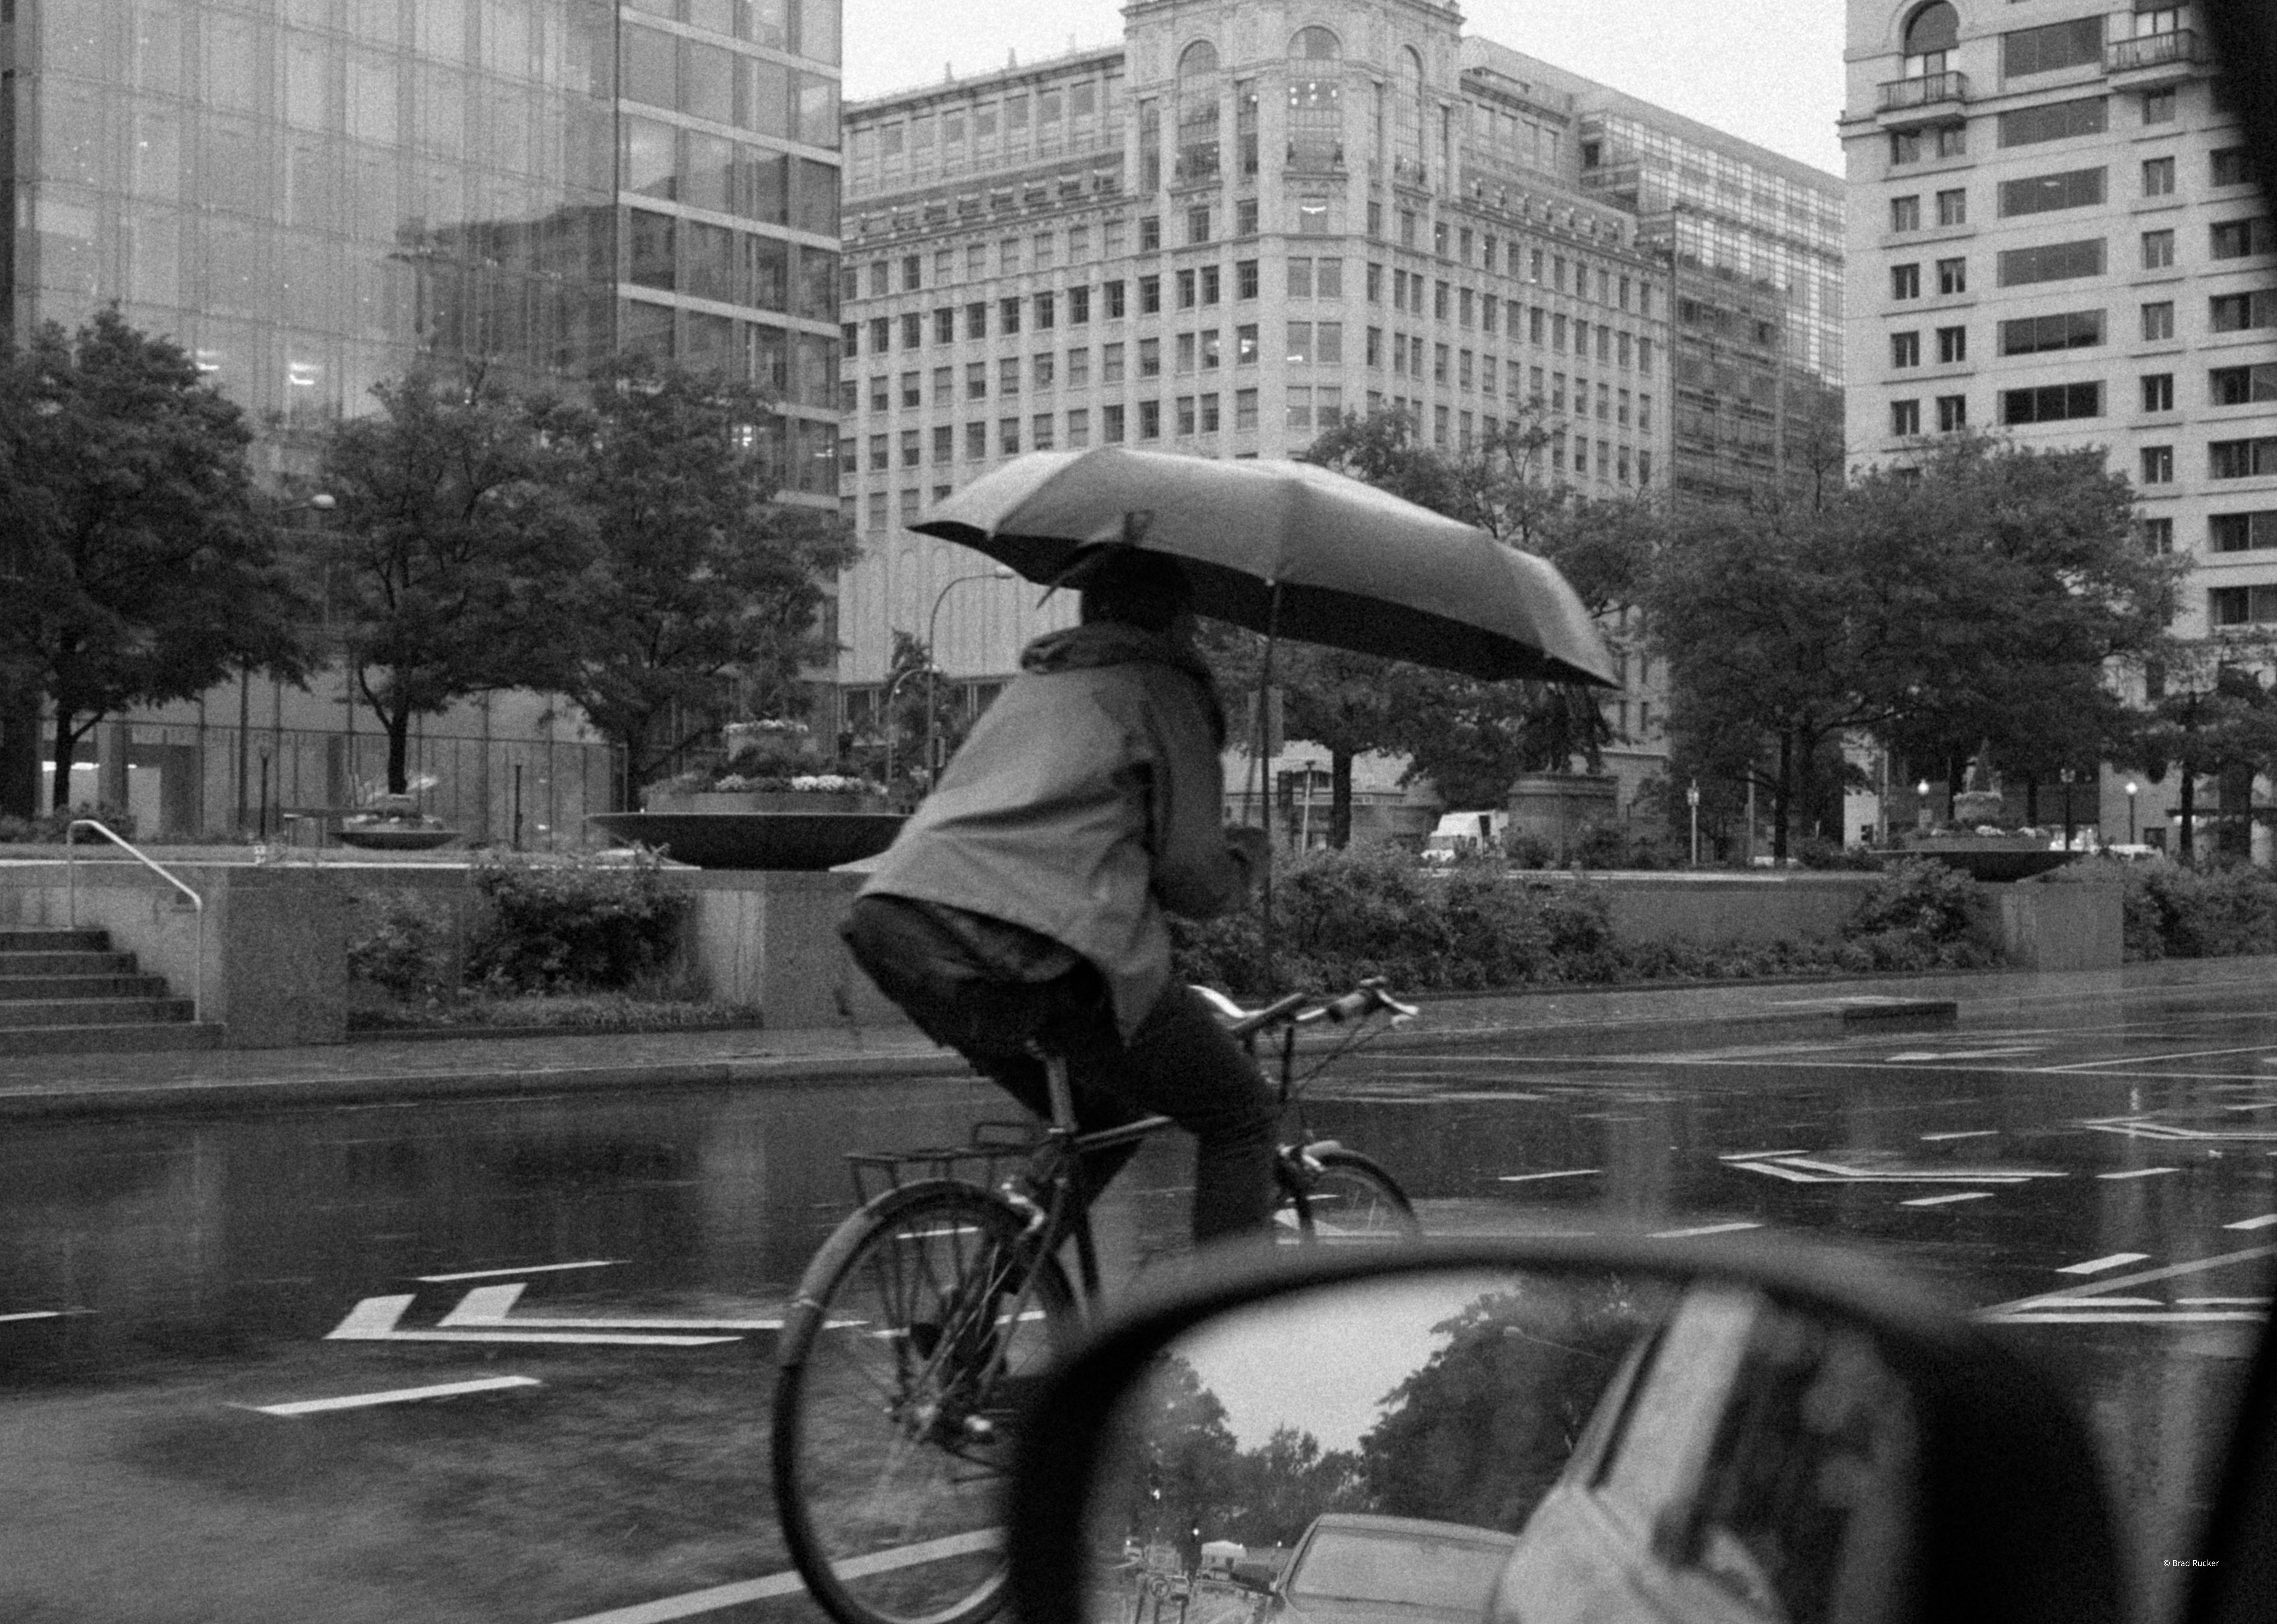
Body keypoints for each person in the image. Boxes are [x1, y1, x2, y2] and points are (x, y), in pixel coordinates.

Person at [841, 546, 1276, 1248]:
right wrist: (1244, 862)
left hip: (895, 920)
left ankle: (970, 1325)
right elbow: (1192, 879)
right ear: (1179, 623)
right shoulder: (1162, 690)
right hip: (1025, 941)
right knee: (1241, 1115)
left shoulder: (1034, 685)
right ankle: (1228, 1336)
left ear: (1089, 612)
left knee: (1101, 1116)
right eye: (1190, 626)